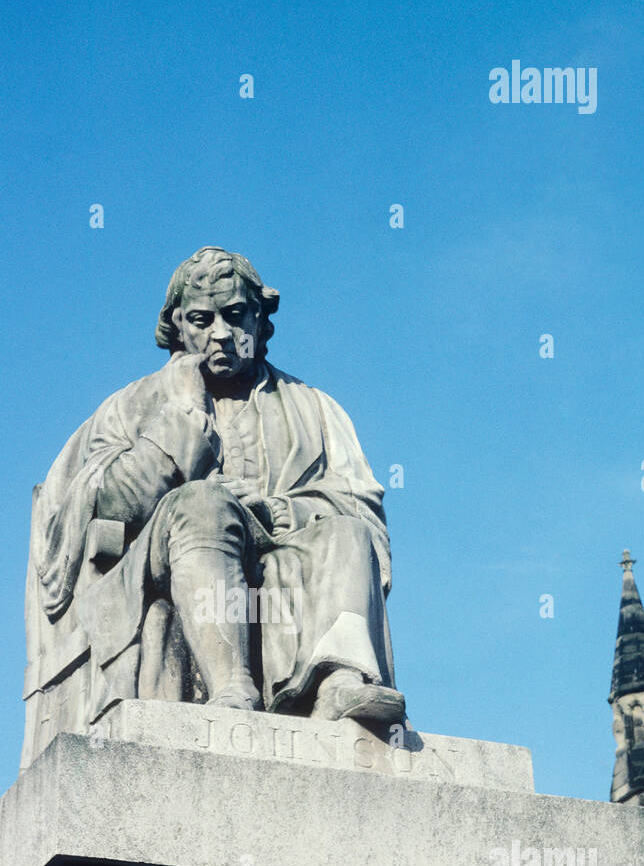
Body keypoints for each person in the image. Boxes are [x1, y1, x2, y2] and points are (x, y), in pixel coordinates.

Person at [24, 247, 404, 762]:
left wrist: (279, 511)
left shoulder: (315, 408)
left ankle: (337, 682)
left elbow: (362, 510)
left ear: (259, 319)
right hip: (163, 560)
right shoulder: (132, 405)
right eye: (202, 320)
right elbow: (110, 504)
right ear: (178, 325)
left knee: (345, 534)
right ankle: (231, 689)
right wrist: (183, 416)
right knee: (204, 502)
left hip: (281, 557)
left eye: (234, 315)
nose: (221, 333)